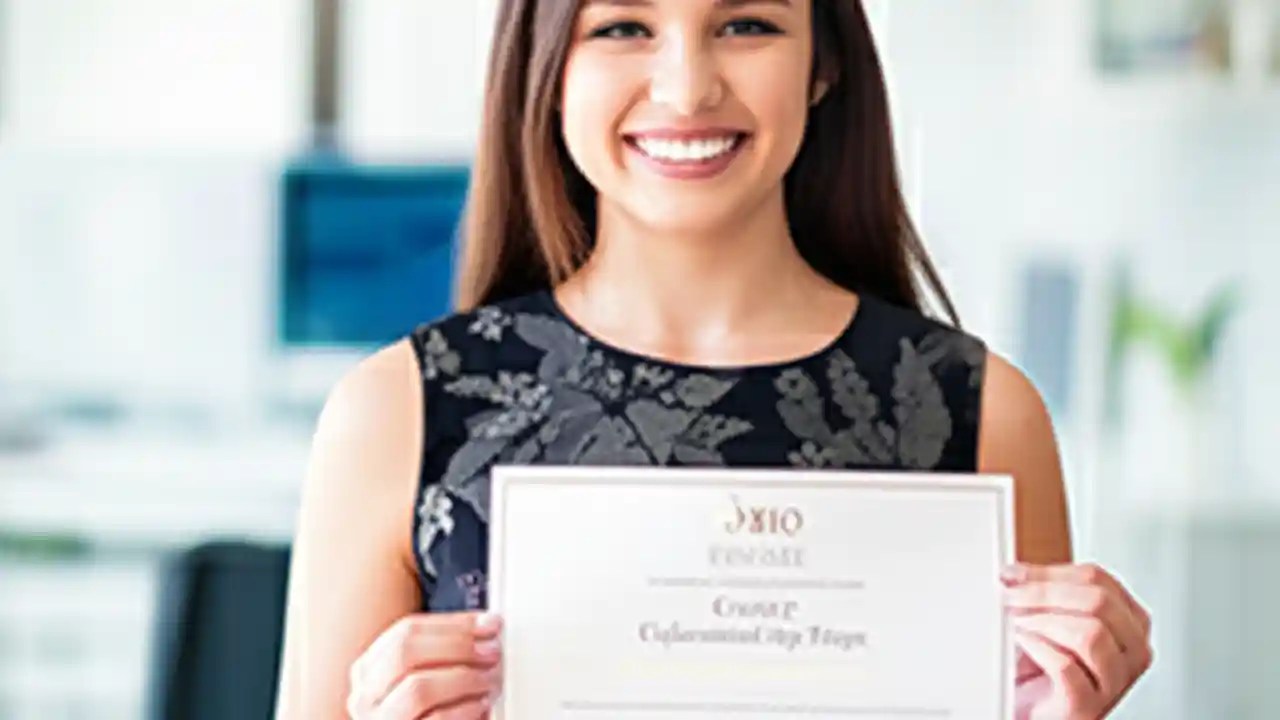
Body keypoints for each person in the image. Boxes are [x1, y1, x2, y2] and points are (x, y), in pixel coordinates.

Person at [274, 1, 1153, 718]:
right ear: (546, 68)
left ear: (824, 64)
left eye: (747, 24)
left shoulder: (983, 411)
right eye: (623, 27)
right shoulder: (398, 411)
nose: (687, 88)